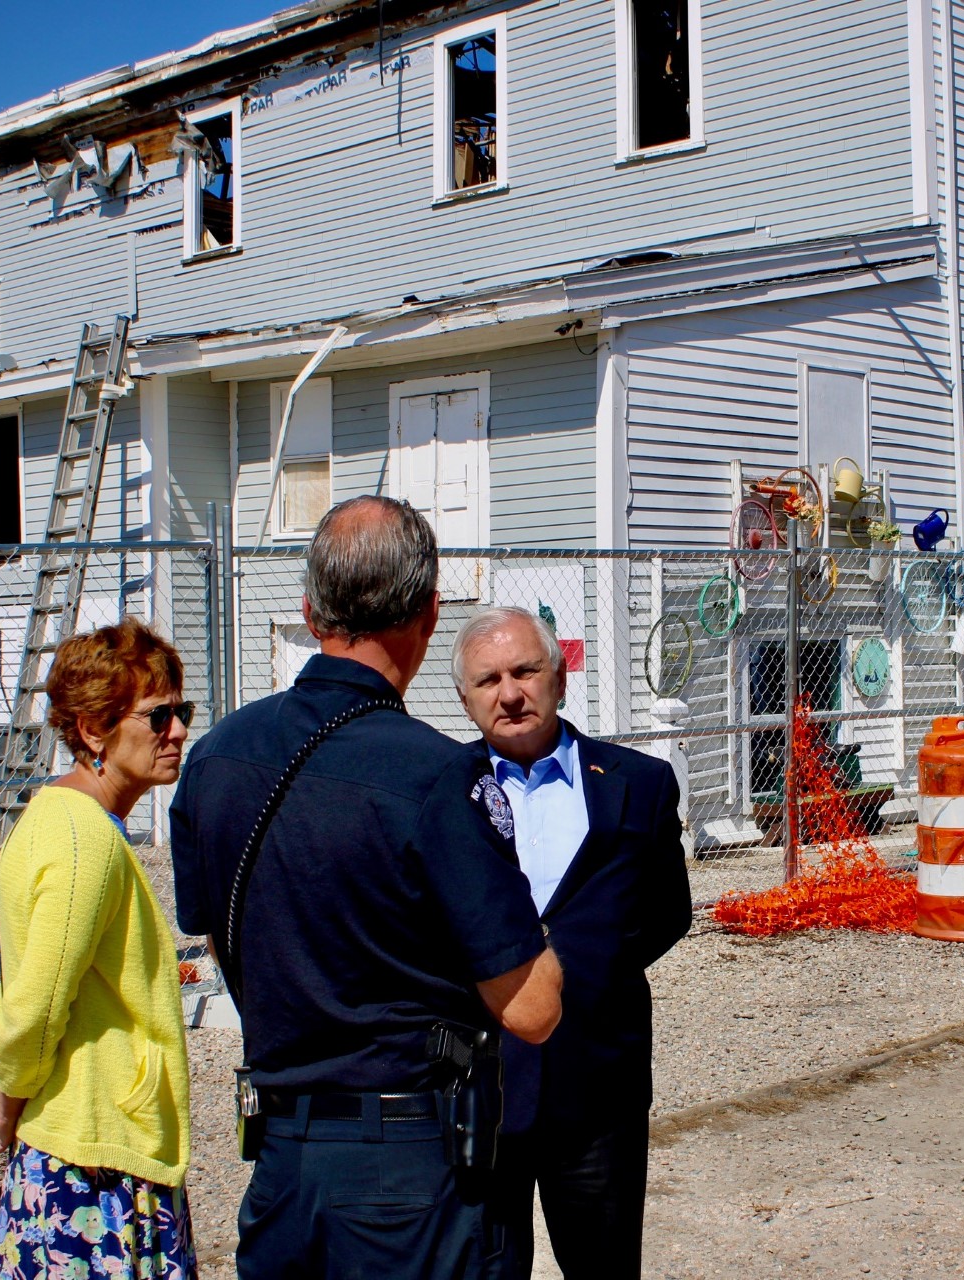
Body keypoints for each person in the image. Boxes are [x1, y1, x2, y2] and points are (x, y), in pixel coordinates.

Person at [168, 495, 563, 1280]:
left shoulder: (215, 760)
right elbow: (533, 1008)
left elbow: (224, 939)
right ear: (428, 612)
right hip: (409, 1170)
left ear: (312, 612)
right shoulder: (437, 776)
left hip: (283, 1160)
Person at [0, 617, 198, 1279]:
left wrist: (6, 1090)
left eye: (182, 711)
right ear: (92, 730)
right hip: (91, 1167)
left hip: (91, 1143)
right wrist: (8, 1089)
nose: (178, 731)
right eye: (158, 715)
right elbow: (38, 1003)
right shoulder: (82, 839)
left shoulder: (76, 822)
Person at [452, 606, 692, 1280]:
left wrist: (589, 970)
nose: (509, 692)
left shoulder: (638, 785)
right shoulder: (440, 791)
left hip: (597, 1089)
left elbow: (668, 911)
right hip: (479, 1088)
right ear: (466, 700)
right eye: (488, 679)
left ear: (558, 677)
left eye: (525, 670)